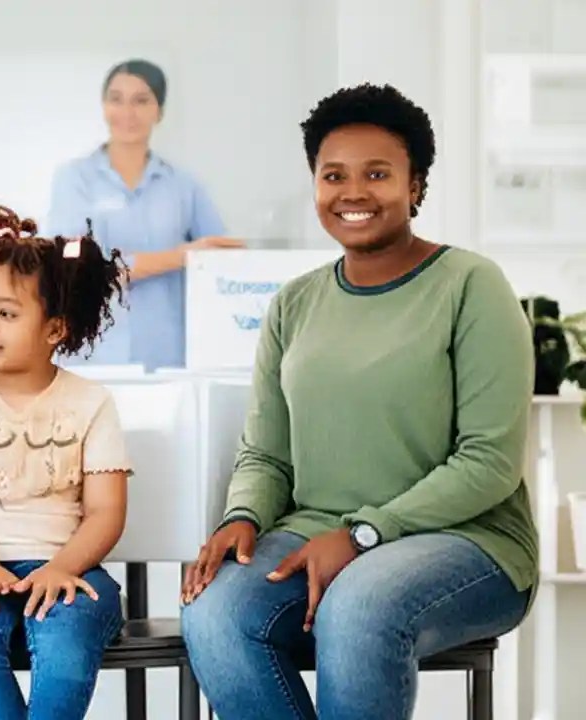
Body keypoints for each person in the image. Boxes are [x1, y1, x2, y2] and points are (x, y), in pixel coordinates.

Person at [179, 84, 536, 720]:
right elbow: (267, 452)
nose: (353, 192)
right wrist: (243, 518)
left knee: (360, 606)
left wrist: (363, 533)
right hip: (317, 532)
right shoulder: (294, 303)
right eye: (333, 175)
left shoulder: (471, 286)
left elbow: (488, 461)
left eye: (378, 173)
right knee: (215, 616)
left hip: (466, 542)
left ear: (416, 185)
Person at [0, 206, 132, 720]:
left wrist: (62, 567)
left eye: (7, 314)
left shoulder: (91, 402)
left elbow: (106, 512)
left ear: (55, 328)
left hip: (72, 567)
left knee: (65, 645)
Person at [47, 58, 244, 370]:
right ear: (103, 106)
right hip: (92, 354)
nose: (127, 112)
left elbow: (221, 259)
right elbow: (75, 267)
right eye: (116, 99)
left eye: (141, 100)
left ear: (159, 111)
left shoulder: (184, 186)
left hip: (168, 356)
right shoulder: (74, 180)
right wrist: (182, 256)